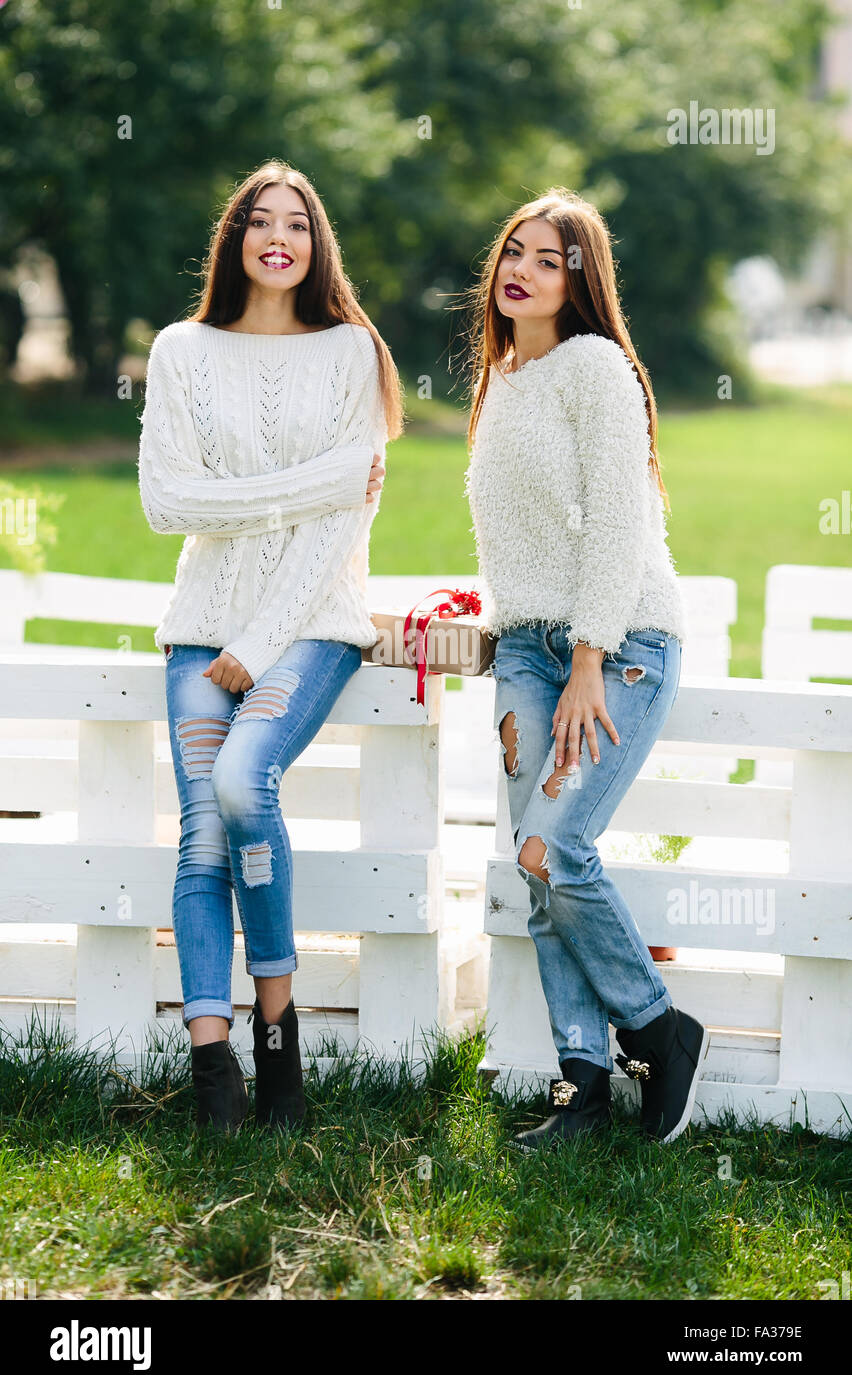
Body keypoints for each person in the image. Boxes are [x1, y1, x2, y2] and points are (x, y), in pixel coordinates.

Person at [137, 160, 402, 1135]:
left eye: (297, 221)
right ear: (236, 238)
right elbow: (167, 503)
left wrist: (257, 642)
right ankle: (214, 1068)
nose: (278, 235)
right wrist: (308, 486)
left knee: (246, 784)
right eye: (260, 219)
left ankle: (278, 1033)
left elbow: (344, 526)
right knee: (203, 834)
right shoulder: (181, 349)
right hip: (198, 627)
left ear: (317, 241)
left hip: (311, 630)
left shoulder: (350, 355)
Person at [463, 188, 708, 1150]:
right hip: (525, 644)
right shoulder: (504, 380)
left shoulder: (594, 368)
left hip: (619, 642)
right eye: (513, 251)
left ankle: (655, 1028)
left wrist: (590, 660)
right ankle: (582, 1084)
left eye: (549, 258)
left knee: (554, 848)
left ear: (580, 280)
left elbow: (618, 522)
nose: (521, 268)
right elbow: (521, 535)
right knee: (536, 867)